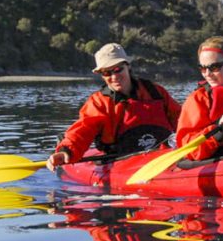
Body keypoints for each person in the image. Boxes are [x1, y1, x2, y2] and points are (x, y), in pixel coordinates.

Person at [47, 43, 181, 170]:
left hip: (163, 156)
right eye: (107, 73)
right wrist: (67, 150)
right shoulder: (98, 102)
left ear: (128, 66)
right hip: (120, 160)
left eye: (118, 69)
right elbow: (84, 129)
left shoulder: (155, 92)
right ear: (101, 75)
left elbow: (181, 119)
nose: (114, 76)